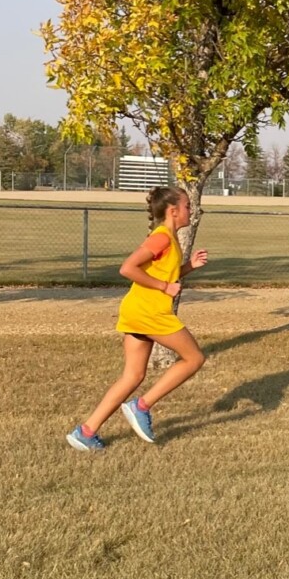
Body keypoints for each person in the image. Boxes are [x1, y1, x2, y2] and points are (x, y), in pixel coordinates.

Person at [67, 186, 208, 451]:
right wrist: (165, 288)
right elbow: (128, 268)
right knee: (194, 358)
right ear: (173, 211)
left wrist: (189, 267)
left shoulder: (170, 238)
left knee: (132, 376)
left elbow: (164, 272)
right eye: (188, 205)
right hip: (150, 312)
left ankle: (85, 432)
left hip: (138, 311)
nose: (192, 210)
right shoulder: (162, 237)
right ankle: (141, 406)